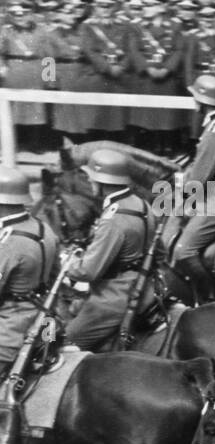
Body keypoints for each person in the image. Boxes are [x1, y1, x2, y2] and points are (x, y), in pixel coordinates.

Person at [65, 149, 157, 352]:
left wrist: (67, 264)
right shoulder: (142, 205)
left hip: (112, 298)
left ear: (101, 181)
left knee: (57, 343)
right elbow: (160, 252)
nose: (90, 183)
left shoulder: (113, 219)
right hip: (144, 286)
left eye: (91, 179)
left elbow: (88, 271)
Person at [169, 73, 215, 304]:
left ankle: (208, 300)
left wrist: (179, 200)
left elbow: (198, 180)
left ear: (202, 101)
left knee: (183, 251)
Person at [0, 165, 58, 372]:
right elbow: (55, 275)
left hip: (12, 331)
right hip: (46, 321)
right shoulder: (43, 228)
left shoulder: (8, 242)